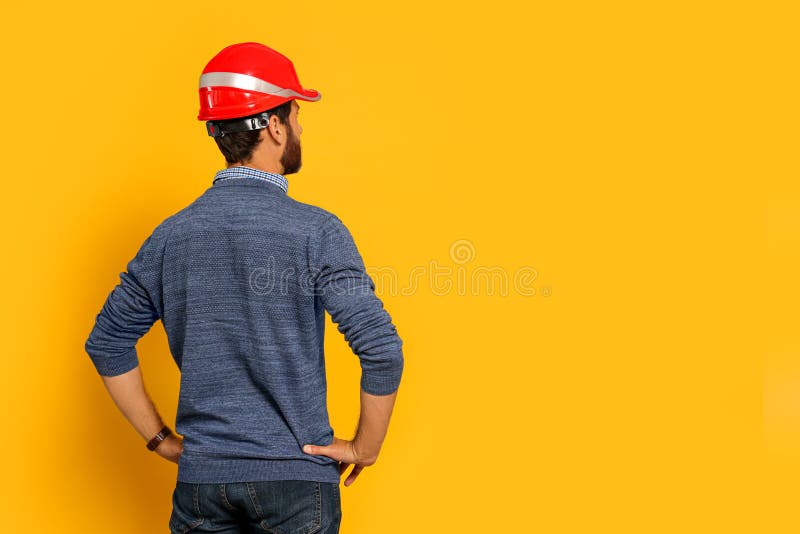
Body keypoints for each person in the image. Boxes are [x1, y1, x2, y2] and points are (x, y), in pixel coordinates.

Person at [84, 42, 405, 534]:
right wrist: (366, 447)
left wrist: (161, 440)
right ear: (274, 125)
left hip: (202, 484)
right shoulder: (317, 232)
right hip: (297, 484)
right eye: (296, 113)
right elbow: (382, 350)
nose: (300, 126)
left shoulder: (171, 236)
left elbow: (107, 342)